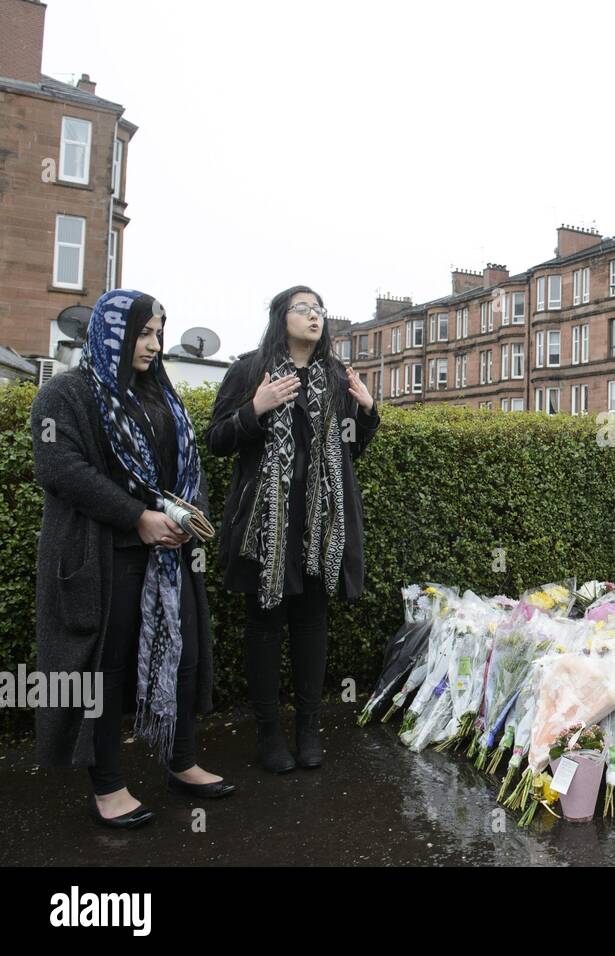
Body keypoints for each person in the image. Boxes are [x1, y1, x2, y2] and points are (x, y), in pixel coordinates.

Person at [30, 290, 233, 830]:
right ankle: (108, 784)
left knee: (183, 658)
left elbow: (187, 469)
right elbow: (61, 469)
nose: (154, 344)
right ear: (111, 331)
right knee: (106, 671)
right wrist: (136, 518)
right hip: (104, 557)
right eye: (143, 333)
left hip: (168, 557)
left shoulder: (160, 392)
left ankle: (181, 760)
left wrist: (188, 521)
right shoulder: (65, 394)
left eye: (159, 333)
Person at [207, 286, 380, 773]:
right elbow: (217, 439)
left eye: (319, 309)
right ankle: (268, 735)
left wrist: (367, 412)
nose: (314, 316)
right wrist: (255, 408)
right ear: (281, 316)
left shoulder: (335, 376)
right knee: (263, 626)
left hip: (321, 527)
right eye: (303, 308)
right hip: (266, 526)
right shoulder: (249, 370)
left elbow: (352, 451)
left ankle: (308, 730)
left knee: (311, 625)